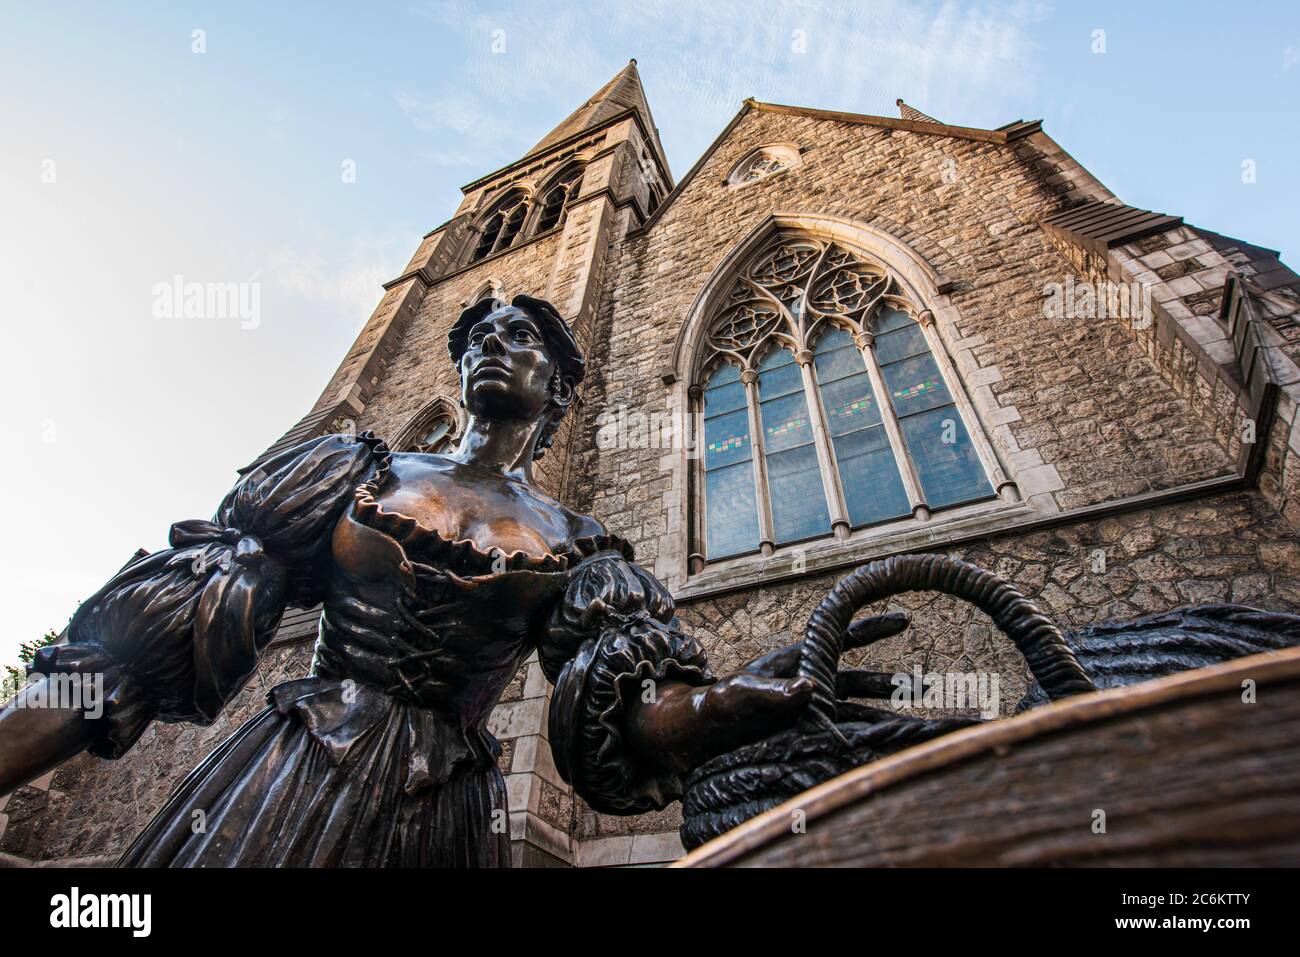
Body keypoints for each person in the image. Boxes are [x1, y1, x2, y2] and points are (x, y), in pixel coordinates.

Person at [0, 295, 897, 866]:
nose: (497, 344)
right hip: (296, 768)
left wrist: (716, 707)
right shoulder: (351, 475)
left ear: (557, 390)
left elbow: (623, 700)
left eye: (524, 337)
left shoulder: (582, 546)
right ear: (461, 370)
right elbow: (148, 641)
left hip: (448, 808)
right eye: (482, 336)